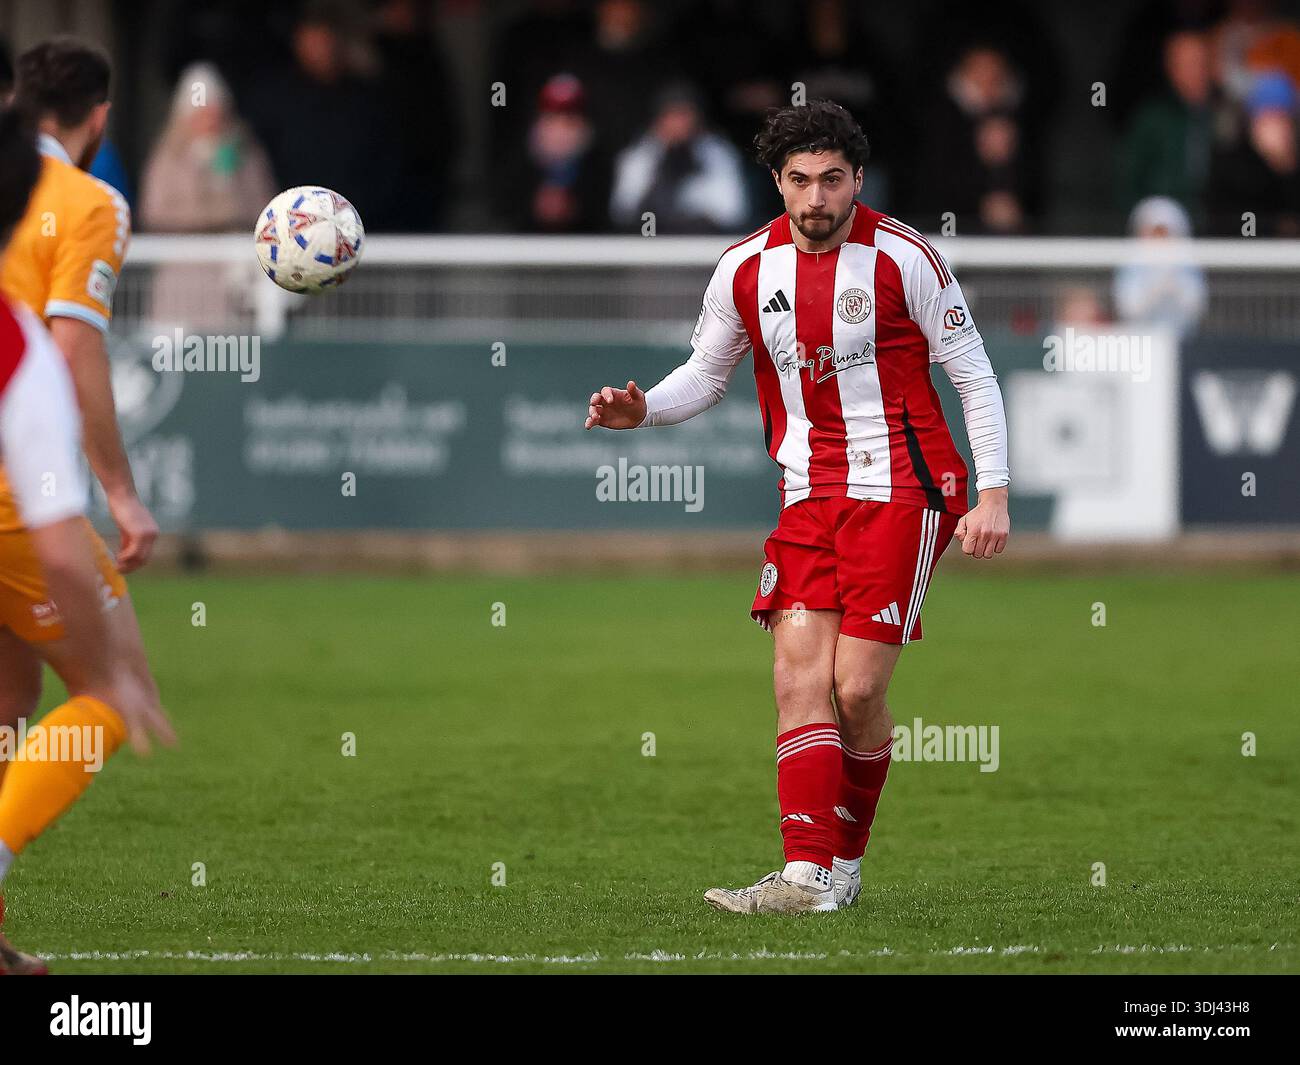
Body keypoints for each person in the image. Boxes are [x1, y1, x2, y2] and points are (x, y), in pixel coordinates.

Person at [585, 100, 1010, 914]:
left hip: (904, 491)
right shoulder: (744, 267)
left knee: (855, 692)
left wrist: (990, 492)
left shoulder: (904, 258)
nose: (817, 198)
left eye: (832, 180)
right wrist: (644, 411)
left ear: (857, 180)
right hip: (807, 494)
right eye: (800, 180)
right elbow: (705, 374)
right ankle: (809, 874)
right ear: (777, 182)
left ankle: (840, 864)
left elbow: (974, 375)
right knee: (797, 679)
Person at [0, 106, 174, 975]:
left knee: (5, 705)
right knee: (109, 697)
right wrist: (112, 670)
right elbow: (63, 545)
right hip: (9, 518)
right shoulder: (22, 337)